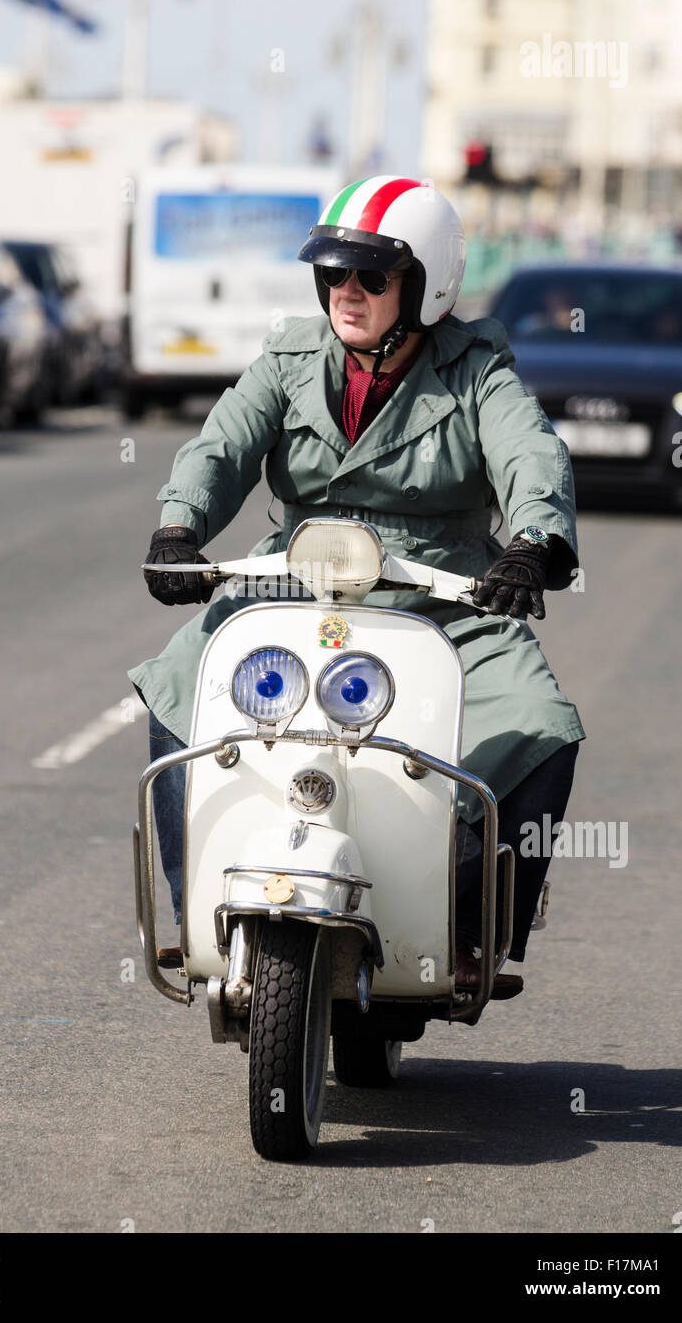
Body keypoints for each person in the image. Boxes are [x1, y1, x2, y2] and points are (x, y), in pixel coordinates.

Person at [129, 174, 584, 992]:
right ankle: (189, 908)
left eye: (371, 276)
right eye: (333, 273)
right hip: (293, 574)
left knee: (540, 723)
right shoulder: (290, 353)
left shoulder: (478, 368)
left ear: (426, 285)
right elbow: (224, 443)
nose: (347, 291)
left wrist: (530, 544)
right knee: (171, 687)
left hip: (445, 591)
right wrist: (179, 525)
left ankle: (474, 927)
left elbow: (529, 454)